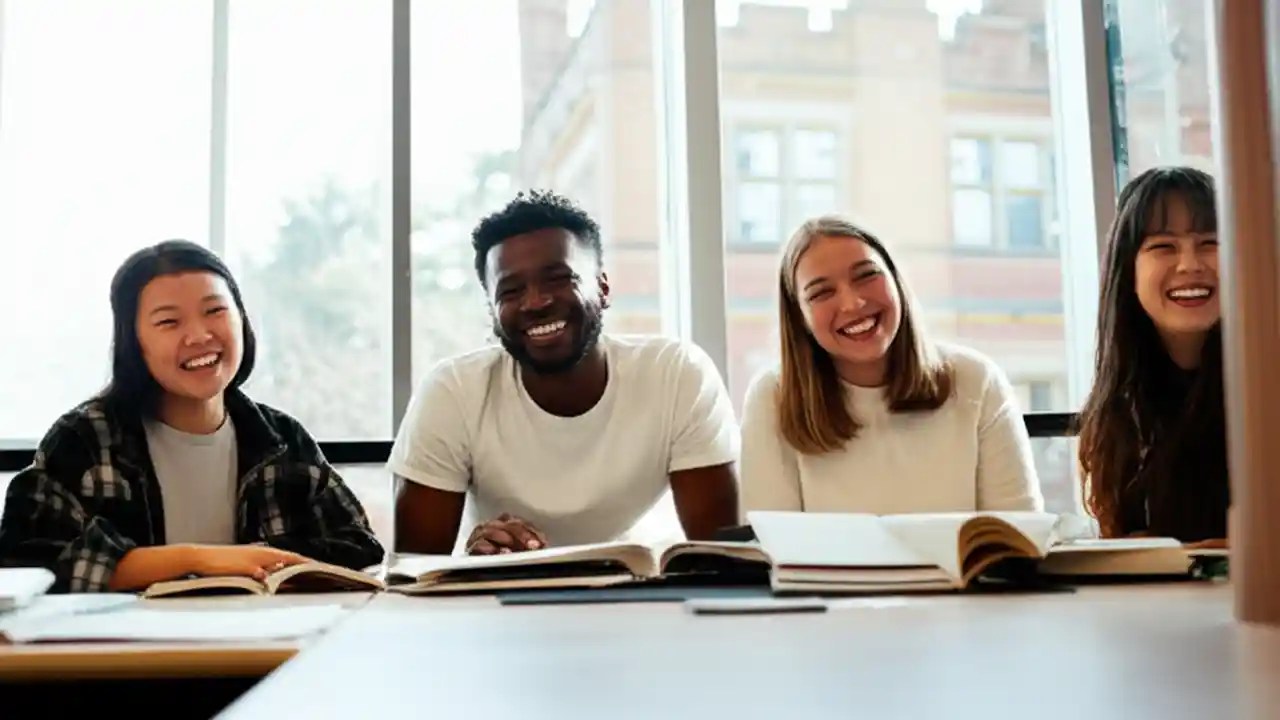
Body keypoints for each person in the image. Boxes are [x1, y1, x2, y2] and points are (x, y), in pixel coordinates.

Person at [0, 241, 384, 592]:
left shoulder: (280, 438)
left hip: (268, 649)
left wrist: (250, 560)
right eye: (169, 322)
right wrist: (200, 560)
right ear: (133, 341)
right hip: (125, 660)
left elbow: (357, 547)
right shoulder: (84, 439)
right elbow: (30, 563)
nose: (199, 335)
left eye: (215, 310)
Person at [389, 190, 740, 555]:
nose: (536, 302)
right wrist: (475, 563)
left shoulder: (677, 375)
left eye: (558, 279)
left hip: (641, 595)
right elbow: (415, 574)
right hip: (505, 597)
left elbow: (721, 559)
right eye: (511, 290)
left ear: (603, 288)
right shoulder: (454, 392)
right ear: (492, 311)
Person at [739, 215, 1043, 514]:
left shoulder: (976, 380)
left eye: (866, 275)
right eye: (821, 293)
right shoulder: (773, 397)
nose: (852, 303)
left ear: (896, 281)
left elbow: (1018, 534)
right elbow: (773, 546)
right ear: (799, 319)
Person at [1076, 166, 1228, 547]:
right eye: (1164, 247)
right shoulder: (1121, 404)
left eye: (1210, 242)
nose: (1190, 264)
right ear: (1127, 270)